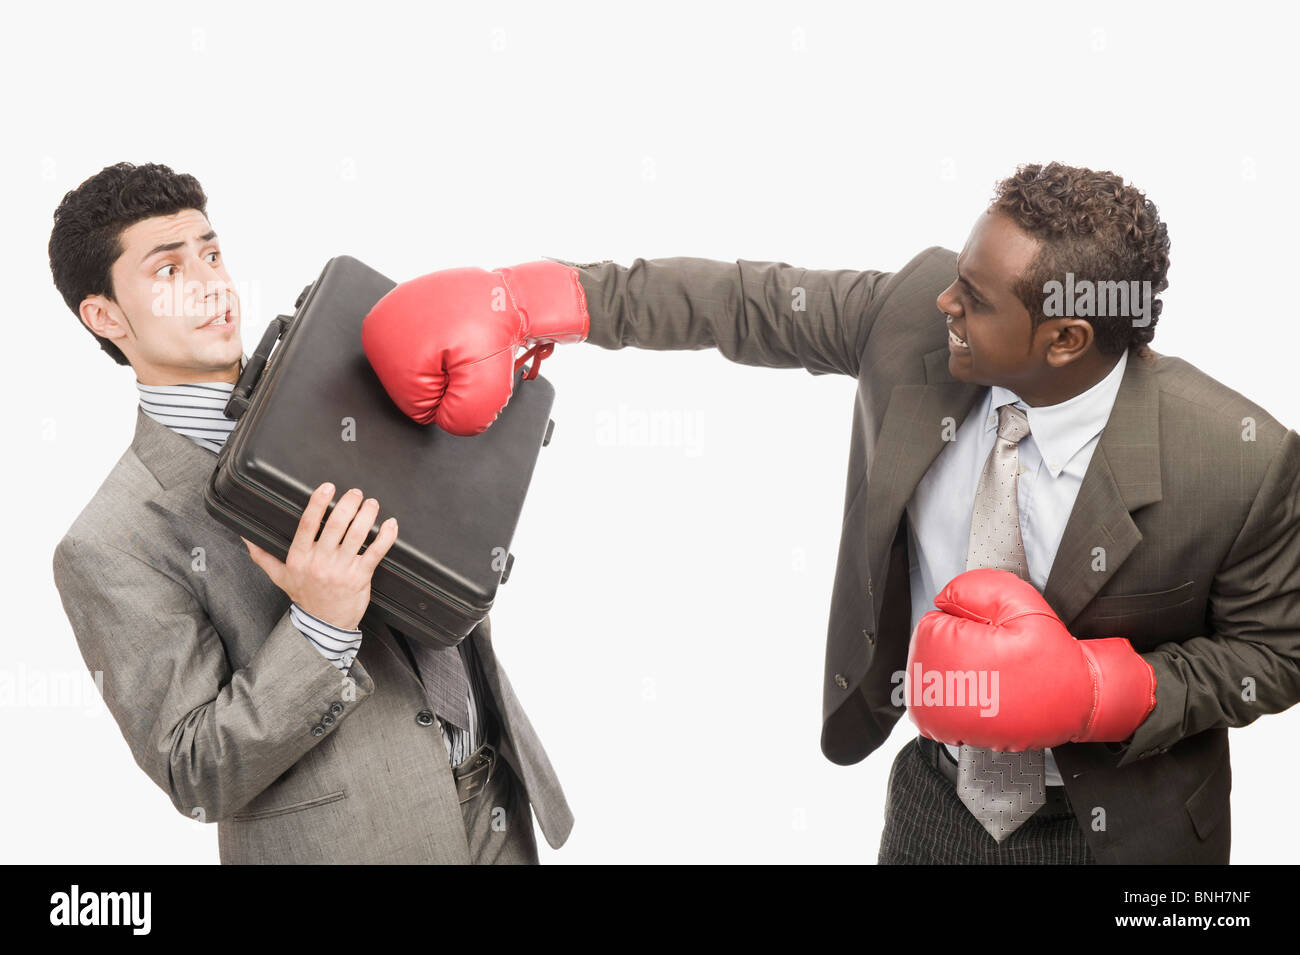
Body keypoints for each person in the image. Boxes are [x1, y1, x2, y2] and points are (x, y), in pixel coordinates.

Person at [361, 161, 1300, 864]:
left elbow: (1276, 653)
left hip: (1124, 834)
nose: (945, 302)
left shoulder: (1237, 458)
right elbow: (744, 302)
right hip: (936, 800)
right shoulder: (915, 324)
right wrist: (534, 298)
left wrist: (1104, 690)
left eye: (974, 300)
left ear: (1065, 337)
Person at [49, 162, 570, 864]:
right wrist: (319, 625)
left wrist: (486, 432)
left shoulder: (341, 367)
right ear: (105, 315)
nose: (210, 283)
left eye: (211, 252)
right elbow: (196, 770)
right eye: (168, 271)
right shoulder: (110, 540)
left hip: (498, 803)